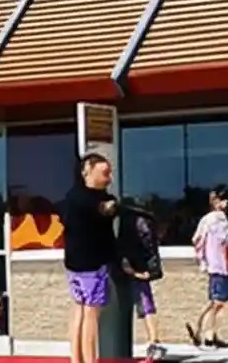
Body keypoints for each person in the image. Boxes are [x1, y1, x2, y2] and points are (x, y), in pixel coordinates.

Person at [60, 152, 118, 363]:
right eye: (104, 173)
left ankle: (76, 359)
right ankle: (90, 360)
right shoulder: (86, 198)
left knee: (79, 309)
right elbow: (105, 209)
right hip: (91, 264)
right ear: (87, 171)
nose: (109, 178)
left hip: (74, 263)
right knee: (91, 313)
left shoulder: (71, 196)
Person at [188, 184, 228, 349]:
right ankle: (200, 327)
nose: (225, 203)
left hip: (222, 263)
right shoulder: (213, 219)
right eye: (222, 199)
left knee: (218, 300)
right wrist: (206, 256)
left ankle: (210, 334)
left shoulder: (222, 219)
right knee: (217, 301)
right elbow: (198, 238)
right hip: (217, 263)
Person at [119, 198, 165, 361]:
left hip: (133, 266)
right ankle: (154, 341)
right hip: (136, 267)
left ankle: (154, 341)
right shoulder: (143, 222)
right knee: (145, 302)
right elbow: (150, 248)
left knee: (145, 303)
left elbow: (142, 246)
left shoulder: (129, 222)